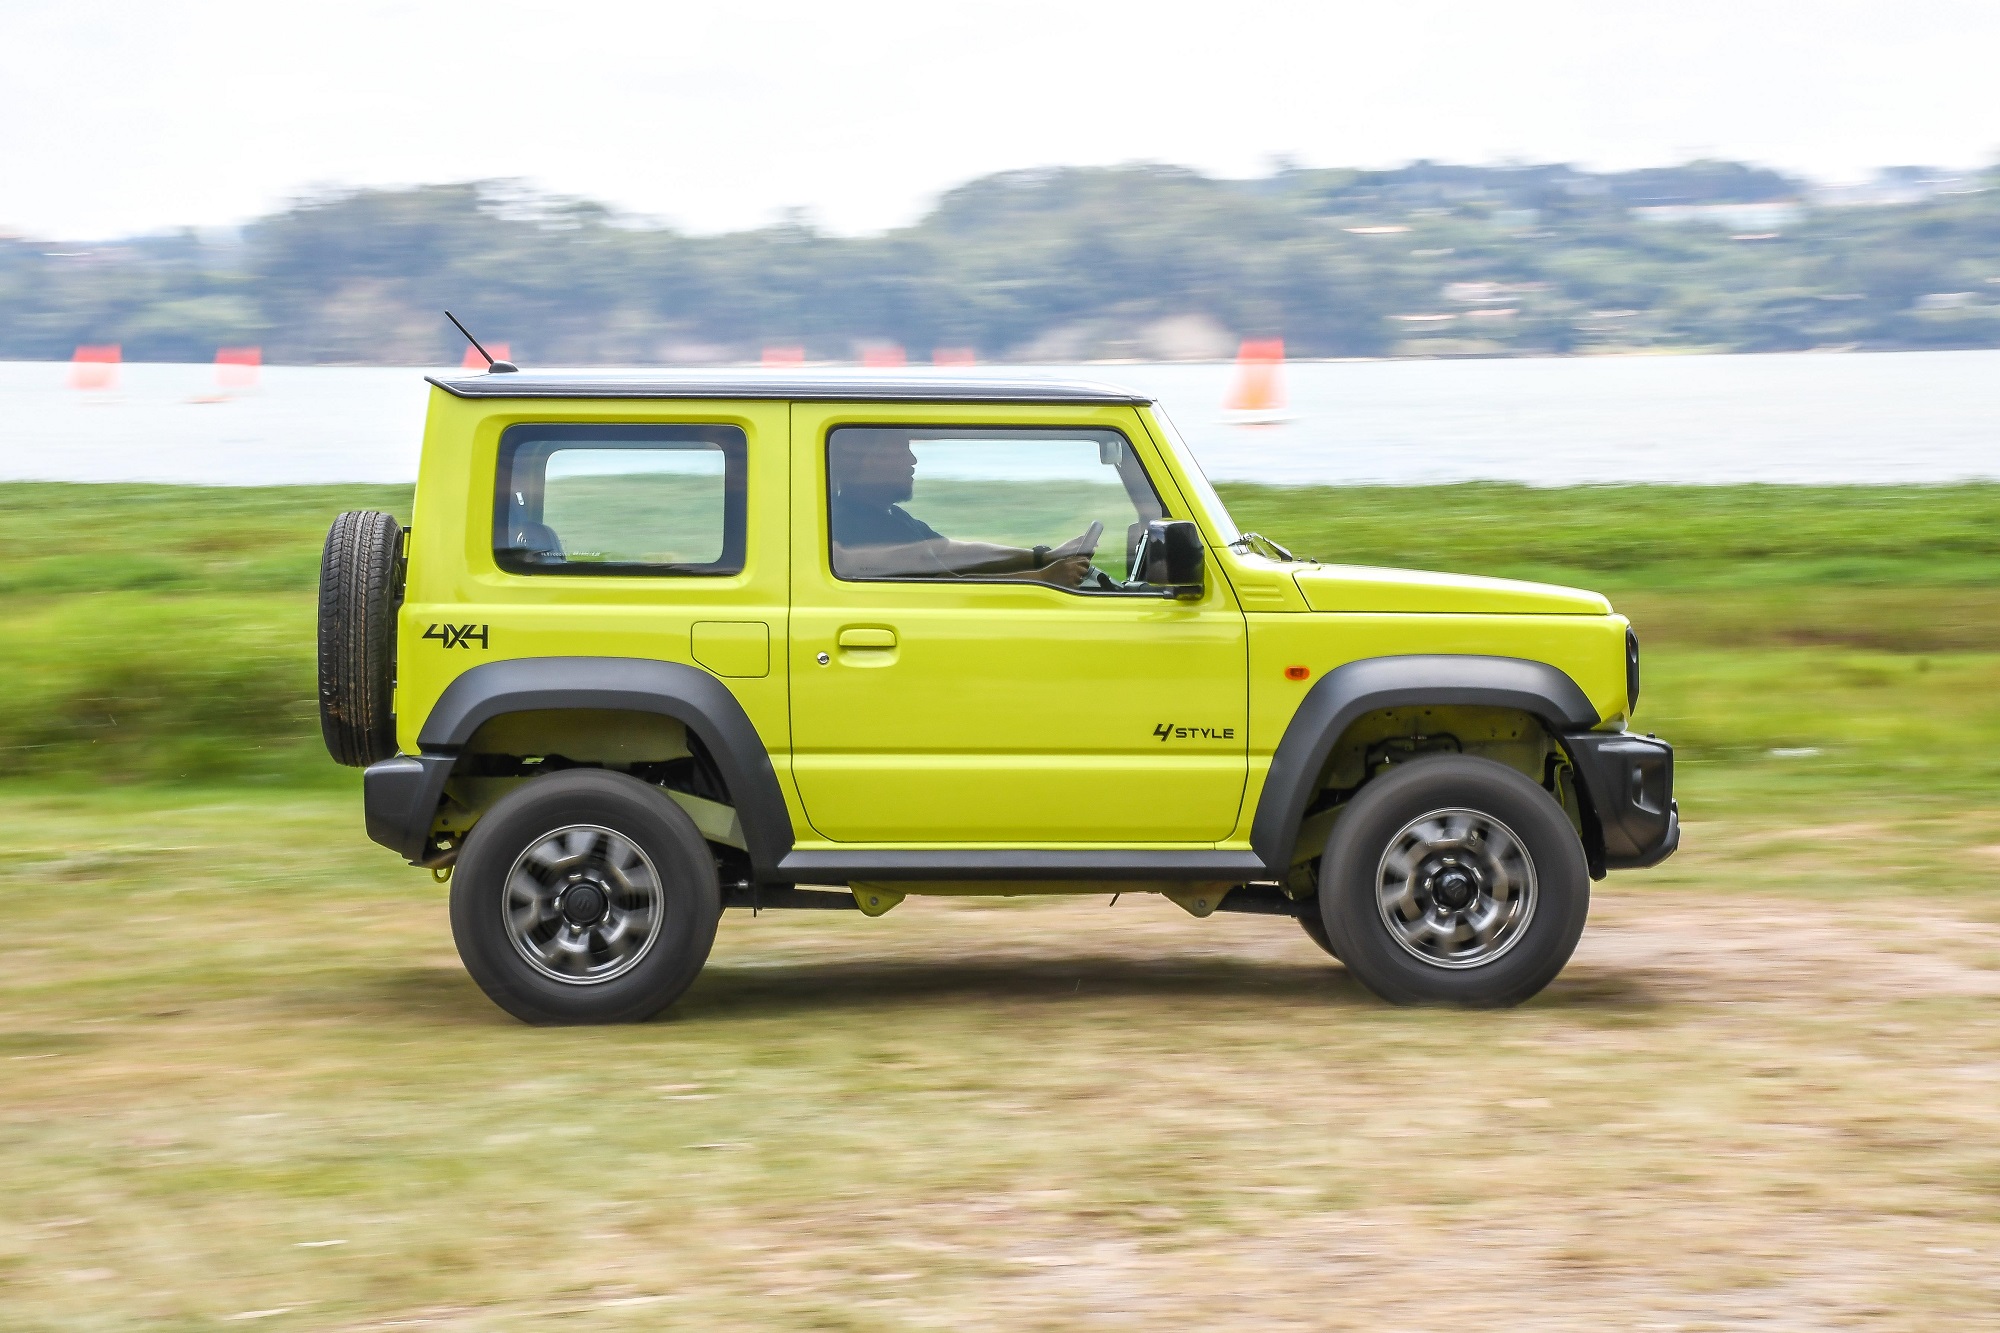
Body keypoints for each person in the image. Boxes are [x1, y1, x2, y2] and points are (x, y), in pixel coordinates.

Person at [828, 430, 1097, 586]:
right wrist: (1041, 578)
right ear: (867, 462)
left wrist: (1043, 557)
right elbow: (945, 582)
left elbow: (951, 553)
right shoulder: (848, 524)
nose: (912, 460)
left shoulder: (893, 517)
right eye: (900, 450)